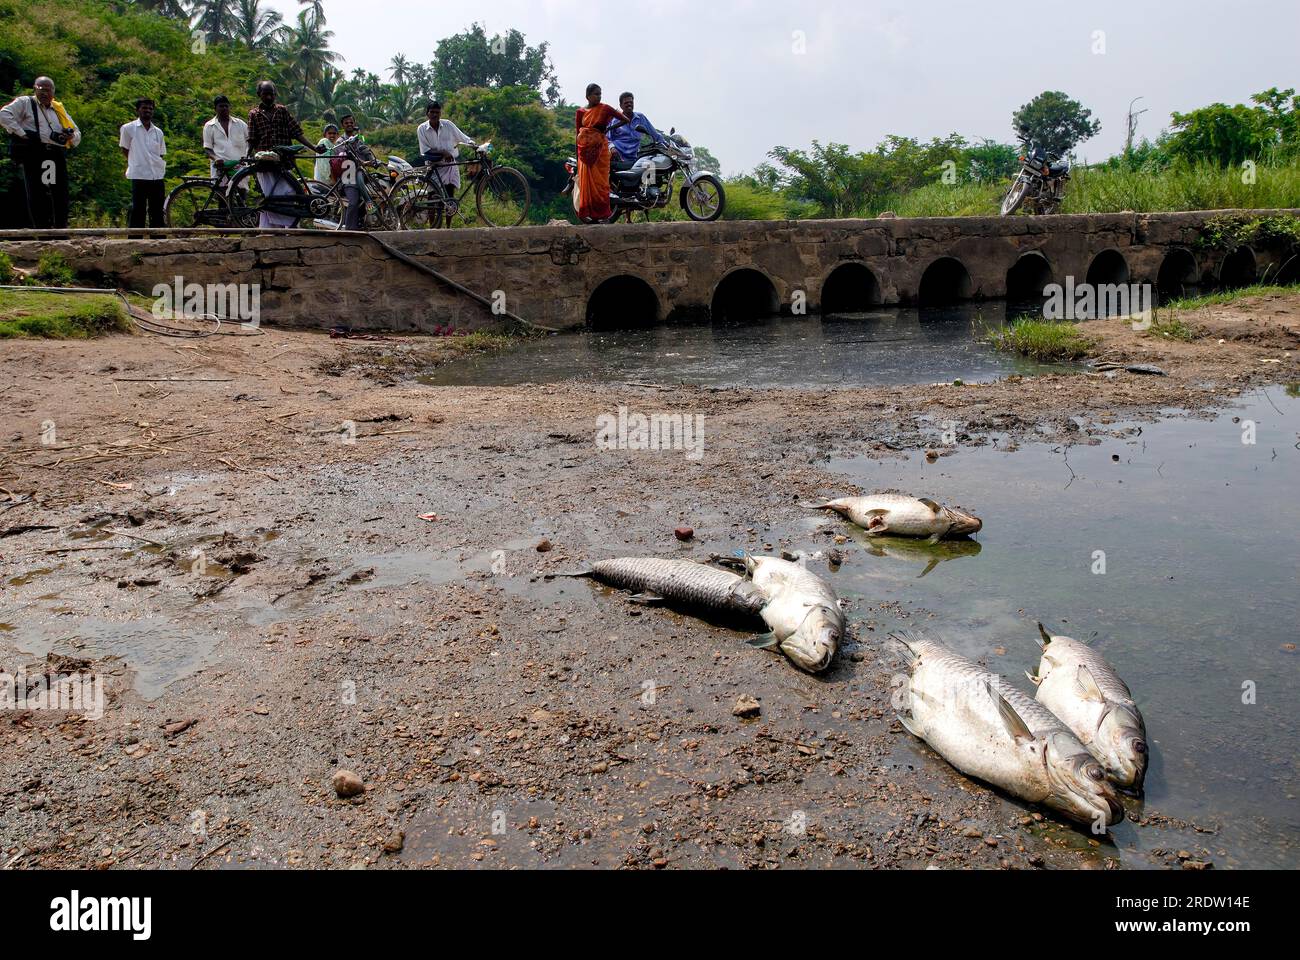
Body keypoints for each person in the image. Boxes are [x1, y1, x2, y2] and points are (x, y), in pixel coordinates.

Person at [0, 76, 80, 228]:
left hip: (55, 152)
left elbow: (77, 133)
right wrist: (22, 133)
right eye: (41, 90)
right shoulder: (25, 102)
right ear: (35, 89)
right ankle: (43, 231)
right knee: (38, 192)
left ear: (53, 92)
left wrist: (71, 136)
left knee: (60, 192)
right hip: (36, 151)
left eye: (48, 90)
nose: (44, 93)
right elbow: (3, 115)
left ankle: (60, 229)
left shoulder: (58, 108)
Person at [246, 80, 320, 228]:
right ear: (259, 94)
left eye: (271, 94)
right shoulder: (254, 114)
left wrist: (313, 147)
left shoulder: (282, 110)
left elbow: (296, 132)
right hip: (264, 164)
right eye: (265, 94)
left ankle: (288, 225)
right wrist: (247, 155)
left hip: (284, 161)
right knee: (270, 197)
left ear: (275, 95)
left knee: (289, 193)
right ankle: (270, 229)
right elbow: (252, 138)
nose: (268, 97)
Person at [416, 101, 476, 227]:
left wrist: (473, 144)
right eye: (432, 112)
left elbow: (462, 137)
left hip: (449, 166)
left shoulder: (448, 125)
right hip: (433, 166)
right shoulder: (422, 129)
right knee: (432, 199)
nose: (434, 115)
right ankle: (433, 228)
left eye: (437, 112)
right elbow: (425, 150)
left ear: (440, 113)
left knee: (450, 199)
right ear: (427, 114)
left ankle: (448, 228)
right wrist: (443, 152)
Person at [574, 84, 625, 223]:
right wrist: (577, 155)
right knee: (587, 184)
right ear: (588, 96)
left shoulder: (605, 108)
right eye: (596, 94)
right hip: (584, 151)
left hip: (600, 151)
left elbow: (624, 119)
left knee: (601, 183)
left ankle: (602, 215)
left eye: (600, 94)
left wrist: (606, 129)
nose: (599, 96)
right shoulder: (580, 112)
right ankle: (588, 214)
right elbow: (578, 133)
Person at [119, 98, 166, 229]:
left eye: (150, 108)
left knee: (157, 210)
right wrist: (136, 161)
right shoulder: (128, 129)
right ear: (138, 110)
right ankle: (135, 241)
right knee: (138, 210)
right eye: (144, 108)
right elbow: (125, 149)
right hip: (139, 174)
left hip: (156, 175)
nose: (148, 111)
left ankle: (158, 243)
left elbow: (161, 153)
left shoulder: (158, 132)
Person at [336, 110, 376, 231]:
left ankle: (367, 224)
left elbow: (365, 150)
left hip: (362, 175)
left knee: (376, 192)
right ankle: (350, 229)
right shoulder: (340, 141)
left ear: (354, 124)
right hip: (348, 178)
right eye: (346, 123)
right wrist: (361, 162)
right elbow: (346, 156)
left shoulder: (359, 139)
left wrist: (373, 160)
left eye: (351, 122)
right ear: (342, 125)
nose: (349, 124)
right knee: (353, 202)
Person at [607, 91, 665, 171]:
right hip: (618, 157)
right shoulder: (615, 120)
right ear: (621, 106)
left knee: (651, 168)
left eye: (631, 102)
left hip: (634, 157)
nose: (629, 104)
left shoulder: (640, 118)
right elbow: (607, 138)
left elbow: (654, 134)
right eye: (626, 103)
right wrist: (612, 148)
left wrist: (667, 145)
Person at [202, 95, 248, 183]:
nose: (224, 108)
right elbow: (207, 148)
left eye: (226, 106)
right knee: (220, 193)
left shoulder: (240, 124)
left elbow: (249, 141)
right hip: (220, 168)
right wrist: (216, 158)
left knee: (241, 192)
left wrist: (247, 156)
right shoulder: (209, 126)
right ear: (215, 108)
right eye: (221, 106)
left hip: (239, 167)